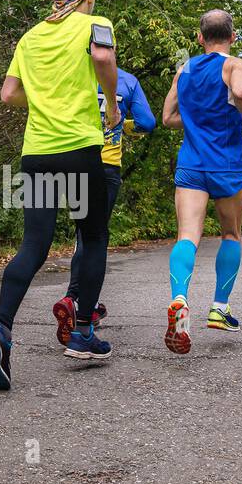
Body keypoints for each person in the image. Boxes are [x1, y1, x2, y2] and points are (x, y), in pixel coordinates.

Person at [0, 0, 120, 390]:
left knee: (33, 246)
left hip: (37, 153)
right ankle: (82, 333)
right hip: (81, 148)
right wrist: (110, 106)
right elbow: (103, 58)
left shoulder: (30, 37)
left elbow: (7, 94)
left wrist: (42, 101)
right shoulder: (97, 24)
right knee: (92, 237)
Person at [161, 9, 242, 354]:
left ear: (199, 37)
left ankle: (180, 299)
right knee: (231, 233)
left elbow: (168, 117)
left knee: (187, 236)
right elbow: (241, 92)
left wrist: (194, 123)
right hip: (227, 165)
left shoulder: (185, 69)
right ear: (232, 37)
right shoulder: (235, 64)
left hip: (192, 164)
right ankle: (220, 308)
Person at [52, 67, 155, 344]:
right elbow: (147, 122)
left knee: (82, 235)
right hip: (107, 167)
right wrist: (125, 127)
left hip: (74, 162)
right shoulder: (128, 81)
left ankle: (82, 302)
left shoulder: (74, 74)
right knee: (95, 238)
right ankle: (77, 301)